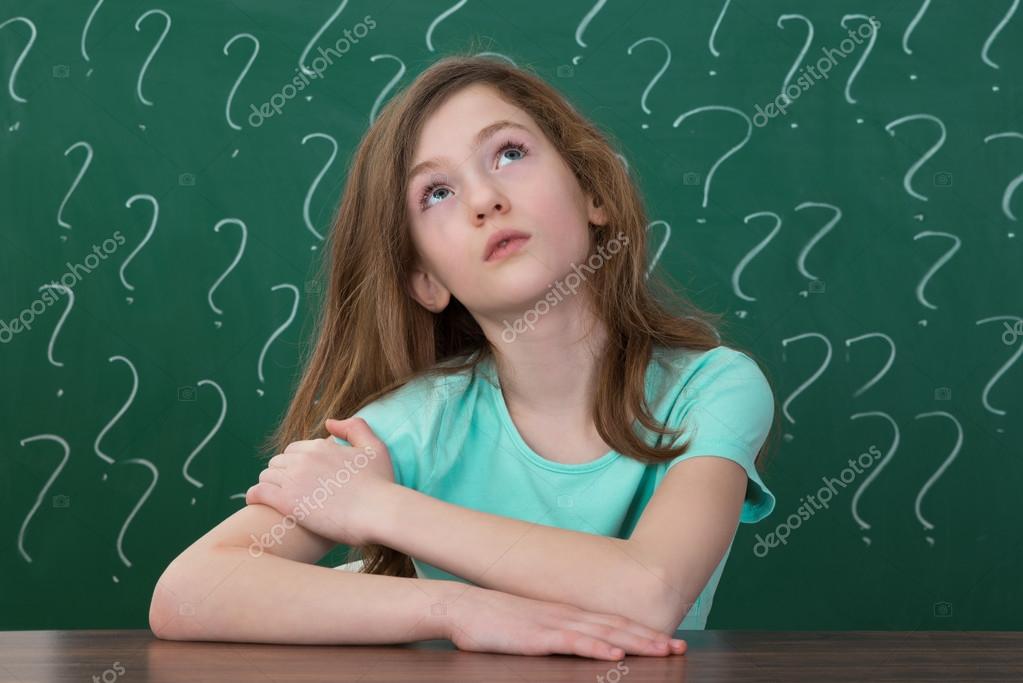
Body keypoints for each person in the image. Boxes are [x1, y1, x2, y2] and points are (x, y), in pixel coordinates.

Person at [149, 51, 779, 661]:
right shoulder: (410, 426)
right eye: (437, 193)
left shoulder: (714, 389)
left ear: (594, 194)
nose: (484, 199)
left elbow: (650, 592)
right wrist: (459, 609)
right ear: (426, 279)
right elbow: (188, 593)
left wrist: (379, 508)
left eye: (509, 153)